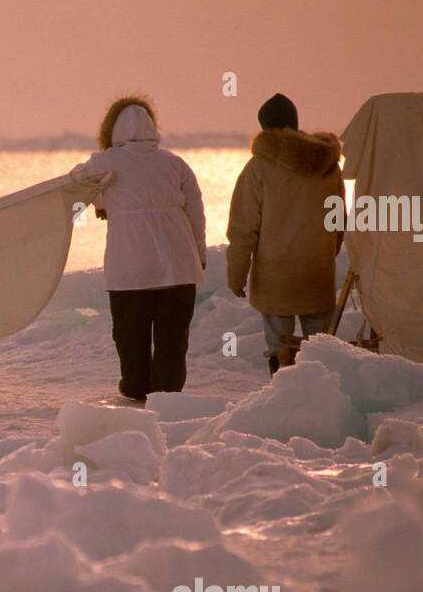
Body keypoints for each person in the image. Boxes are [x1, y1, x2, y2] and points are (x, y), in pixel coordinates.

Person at [70, 96, 206, 403]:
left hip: (130, 269)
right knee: (172, 339)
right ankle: (168, 396)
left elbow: (77, 183)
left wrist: (104, 202)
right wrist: (199, 255)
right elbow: (196, 214)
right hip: (178, 264)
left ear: (112, 130)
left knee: (131, 336)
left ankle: (135, 391)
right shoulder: (175, 163)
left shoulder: (105, 162)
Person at [226, 93, 345, 375]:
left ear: (265, 127)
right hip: (317, 268)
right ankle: (321, 399)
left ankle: (282, 393)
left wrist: (236, 274)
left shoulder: (259, 168)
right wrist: (329, 252)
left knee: (279, 346)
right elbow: (337, 218)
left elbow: (244, 228)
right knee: (321, 346)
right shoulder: (327, 164)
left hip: (275, 274)